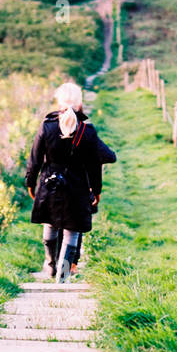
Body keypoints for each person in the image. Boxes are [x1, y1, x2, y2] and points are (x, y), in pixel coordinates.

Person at [25, 81, 116, 283]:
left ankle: (50, 266)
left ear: (59, 101)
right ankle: (63, 275)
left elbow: (35, 159)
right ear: (79, 103)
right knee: (71, 233)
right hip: (78, 187)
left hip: (50, 185)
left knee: (50, 226)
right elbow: (94, 166)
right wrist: (96, 190)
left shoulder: (46, 127)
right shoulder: (88, 132)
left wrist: (30, 183)